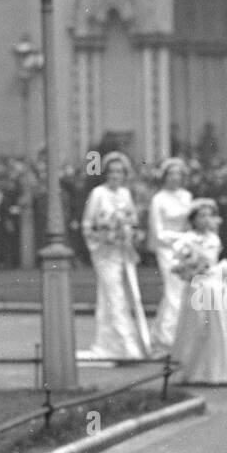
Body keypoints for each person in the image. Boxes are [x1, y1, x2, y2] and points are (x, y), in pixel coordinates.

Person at [81, 152, 151, 359]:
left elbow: (133, 219)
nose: (115, 175)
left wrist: (128, 232)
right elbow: (87, 224)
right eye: (111, 171)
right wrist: (104, 237)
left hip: (123, 252)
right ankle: (125, 346)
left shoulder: (125, 194)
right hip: (104, 253)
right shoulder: (97, 194)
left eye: (119, 171)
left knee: (112, 297)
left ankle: (109, 345)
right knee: (115, 295)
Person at [169, 198, 227, 385]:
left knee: (217, 326)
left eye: (209, 215)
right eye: (201, 216)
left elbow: (216, 262)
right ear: (193, 219)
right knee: (196, 325)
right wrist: (190, 269)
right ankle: (192, 370)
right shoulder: (186, 240)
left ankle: (215, 371)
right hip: (197, 284)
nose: (206, 219)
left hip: (214, 284)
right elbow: (175, 265)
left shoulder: (214, 238)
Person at [148, 157, 193, 352]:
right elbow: (158, 232)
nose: (175, 178)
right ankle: (169, 338)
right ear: (164, 177)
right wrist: (179, 238)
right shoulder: (158, 199)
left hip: (185, 248)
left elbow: (192, 221)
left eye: (178, 174)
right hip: (166, 249)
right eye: (171, 174)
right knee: (173, 290)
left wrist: (190, 240)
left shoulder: (187, 196)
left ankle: (160, 334)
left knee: (182, 290)